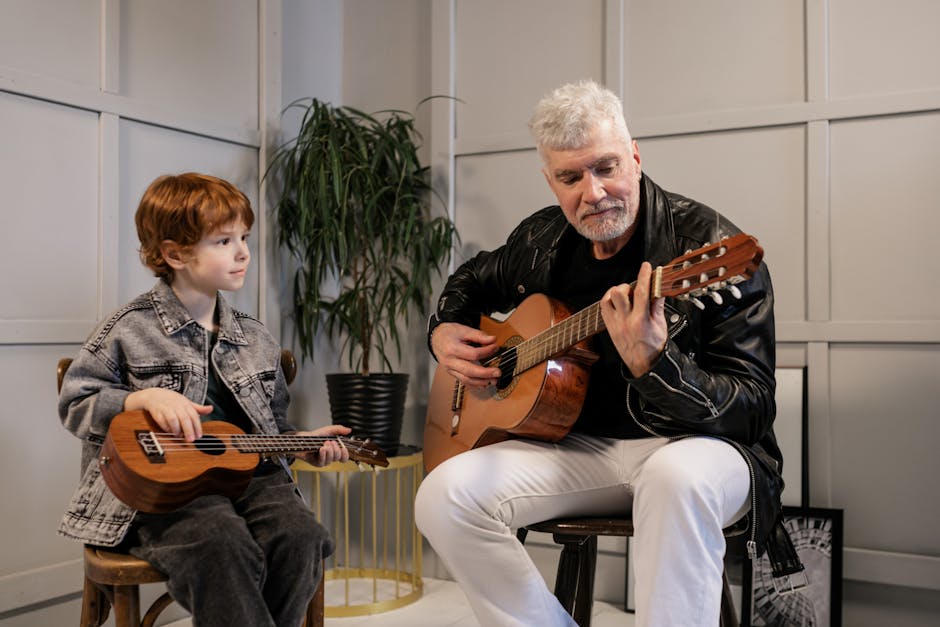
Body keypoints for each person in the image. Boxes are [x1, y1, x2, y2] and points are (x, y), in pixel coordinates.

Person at [415, 80, 799, 626]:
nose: (593, 193)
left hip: (695, 448)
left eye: (606, 167)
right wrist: (443, 329)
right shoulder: (542, 240)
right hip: (577, 449)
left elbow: (753, 409)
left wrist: (656, 364)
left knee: (675, 479)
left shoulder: (709, 245)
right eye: (571, 177)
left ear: (635, 158)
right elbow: (473, 278)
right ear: (550, 180)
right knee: (443, 496)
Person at [58, 172, 350, 627]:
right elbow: (76, 402)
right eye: (223, 241)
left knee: (301, 537)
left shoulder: (256, 337)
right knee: (219, 540)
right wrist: (142, 400)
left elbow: (272, 429)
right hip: (161, 491)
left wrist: (304, 444)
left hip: (252, 480)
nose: (243, 252)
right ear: (175, 254)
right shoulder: (127, 329)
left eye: (244, 237)